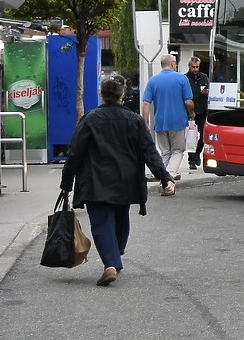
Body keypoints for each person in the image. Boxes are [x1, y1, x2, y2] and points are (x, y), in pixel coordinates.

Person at [60, 75, 175, 287]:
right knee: (121, 220)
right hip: (126, 182)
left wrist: (66, 183)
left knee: (101, 224)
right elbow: (149, 151)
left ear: (101, 94)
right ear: (122, 95)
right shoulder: (135, 120)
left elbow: (75, 153)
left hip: (96, 182)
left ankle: (111, 263)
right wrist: (164, 177)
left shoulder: (90, 119)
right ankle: (115, 256)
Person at [142, 54, 195, 179]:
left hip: (160, 122)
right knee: (177, 151)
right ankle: (169, 176)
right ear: (172, 63)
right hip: (178, 121)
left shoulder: (153, 80)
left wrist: (146, 122)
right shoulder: (181, 78)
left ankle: (162, 177)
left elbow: (146, 103)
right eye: (175, 63)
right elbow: (188, 102)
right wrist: (192, 112)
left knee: (165, 152)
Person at [184, 56, 210, 170]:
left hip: (202, 110)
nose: (195, 69)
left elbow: (210, 89)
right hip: (189, 111)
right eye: (193, 67)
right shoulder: (185, 78)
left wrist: (206, 92)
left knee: (204, 134)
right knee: (191, 136)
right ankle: (191, 160)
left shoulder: (204, 77)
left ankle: (197, 153)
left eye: (197, 67)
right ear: (189, 67)